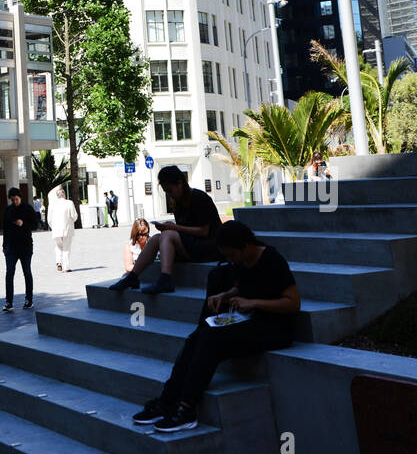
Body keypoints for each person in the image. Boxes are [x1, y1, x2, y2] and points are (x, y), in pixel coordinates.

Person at [132, 221, 300, 431]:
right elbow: (243, 286)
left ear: (245, 246)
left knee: (210, 340)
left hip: (275, 327)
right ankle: (167, 402)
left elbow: (293, 303)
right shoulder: (242, 261)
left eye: (231, 255)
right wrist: (226, 294)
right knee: (198, 336)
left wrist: (254, 303)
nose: (230, 260)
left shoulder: (272, 260)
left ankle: (187, 408)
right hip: (251, 320)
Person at [108, 165, 221, 296]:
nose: (168, 195)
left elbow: (204, 232)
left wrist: (173, 228)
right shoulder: (178, 202)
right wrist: (169, 228)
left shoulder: (199, 198)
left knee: (167, 234)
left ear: (180, 183)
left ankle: (166, 278)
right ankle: (133, 276)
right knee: (157, 237)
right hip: (193, 245)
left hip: (208, 248)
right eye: (166, 191)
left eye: (170, 190)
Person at [1, 186, 37, 312]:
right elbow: (5, 228)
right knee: (9, 273)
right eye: (12, 200)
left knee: (27, 272)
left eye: (16, 199)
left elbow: (35, 224)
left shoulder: (28, 209)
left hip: (25, 245)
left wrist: (24, 223)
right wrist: (4, 246)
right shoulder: (8, 210)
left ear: (20, 197)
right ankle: (9, 302)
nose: (15, 202)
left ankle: (29, 299)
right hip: (11, 246)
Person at [48, 187, 78, 272]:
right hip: (67, 229)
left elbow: (49, 219)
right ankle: (66, 267)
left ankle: (58, 262)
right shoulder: (69, 203)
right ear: (64, 194)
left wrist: (53, 227)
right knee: (66, 248)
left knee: (58, 247)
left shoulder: (52, 204)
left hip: (56, 230)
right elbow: (74, 216)